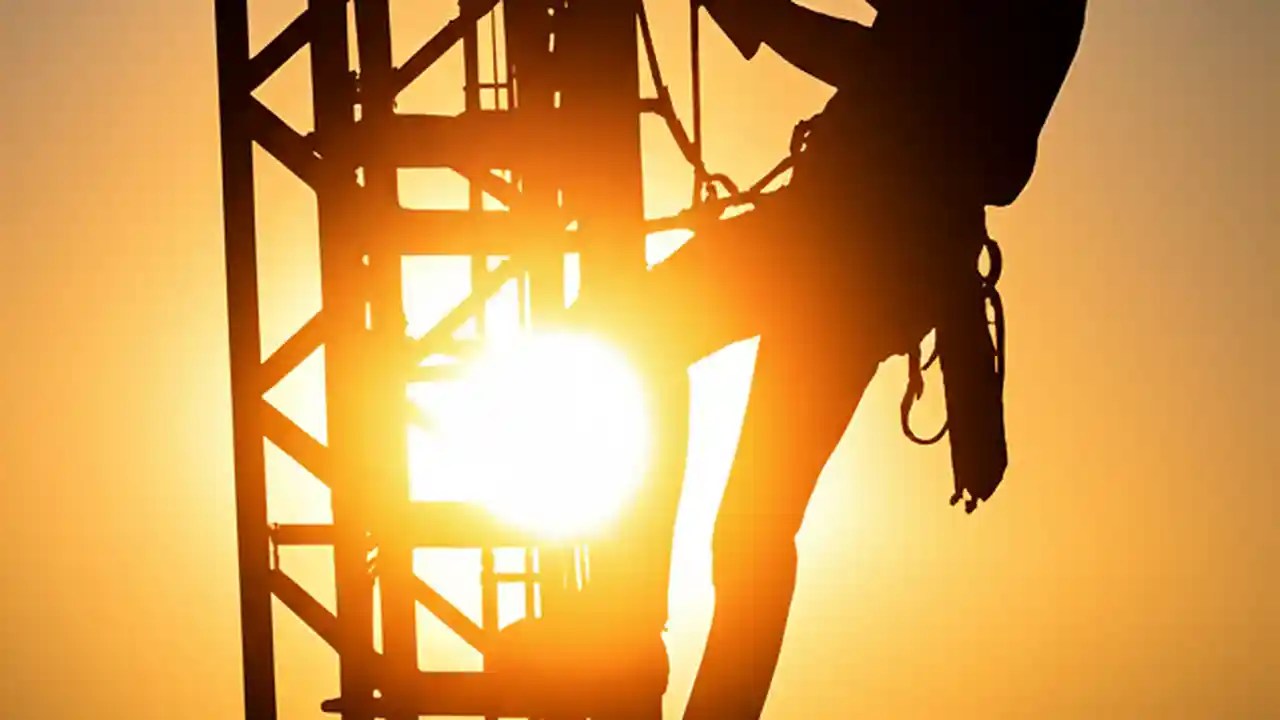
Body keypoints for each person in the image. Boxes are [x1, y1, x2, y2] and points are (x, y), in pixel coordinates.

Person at [503, 2, 1087, 718]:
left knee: (731, 490)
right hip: (846, 248)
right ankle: (628, 630)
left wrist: (760, 18)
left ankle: (628, 632)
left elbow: (926, 98)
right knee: (722, 472)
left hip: (857, 260)